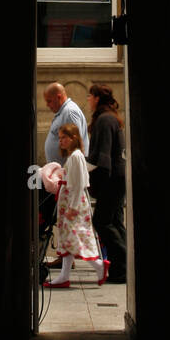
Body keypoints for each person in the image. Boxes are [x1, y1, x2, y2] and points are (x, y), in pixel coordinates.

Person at [42, 124, 107, 289]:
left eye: (64, 137)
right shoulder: (73, 157)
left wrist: (72, 207)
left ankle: (99, 265)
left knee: (76, 238)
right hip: (69, 202)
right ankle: (65, 275)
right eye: (60, 137)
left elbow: (78, 184)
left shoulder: (76, 157)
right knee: (68, 239)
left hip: (73, 203)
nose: (61, 141)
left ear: (73, 139)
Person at [86, 83, 127, 283]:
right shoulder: (110, 118)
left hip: (110, 180)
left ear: (97, 98)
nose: (88, 100)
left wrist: (97, 182)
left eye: (90, 96)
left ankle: (122, 263)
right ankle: (123, 267)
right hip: (118, 178)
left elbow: (103, 157)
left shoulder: (104, 120)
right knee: (116, 222)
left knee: (101, 221)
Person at [43, 82, 89, 164]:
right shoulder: (64, 112)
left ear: (59, 97)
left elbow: (76, 144)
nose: (47, 105)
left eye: (49, 101)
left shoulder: (69, 112)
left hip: (68, 172)